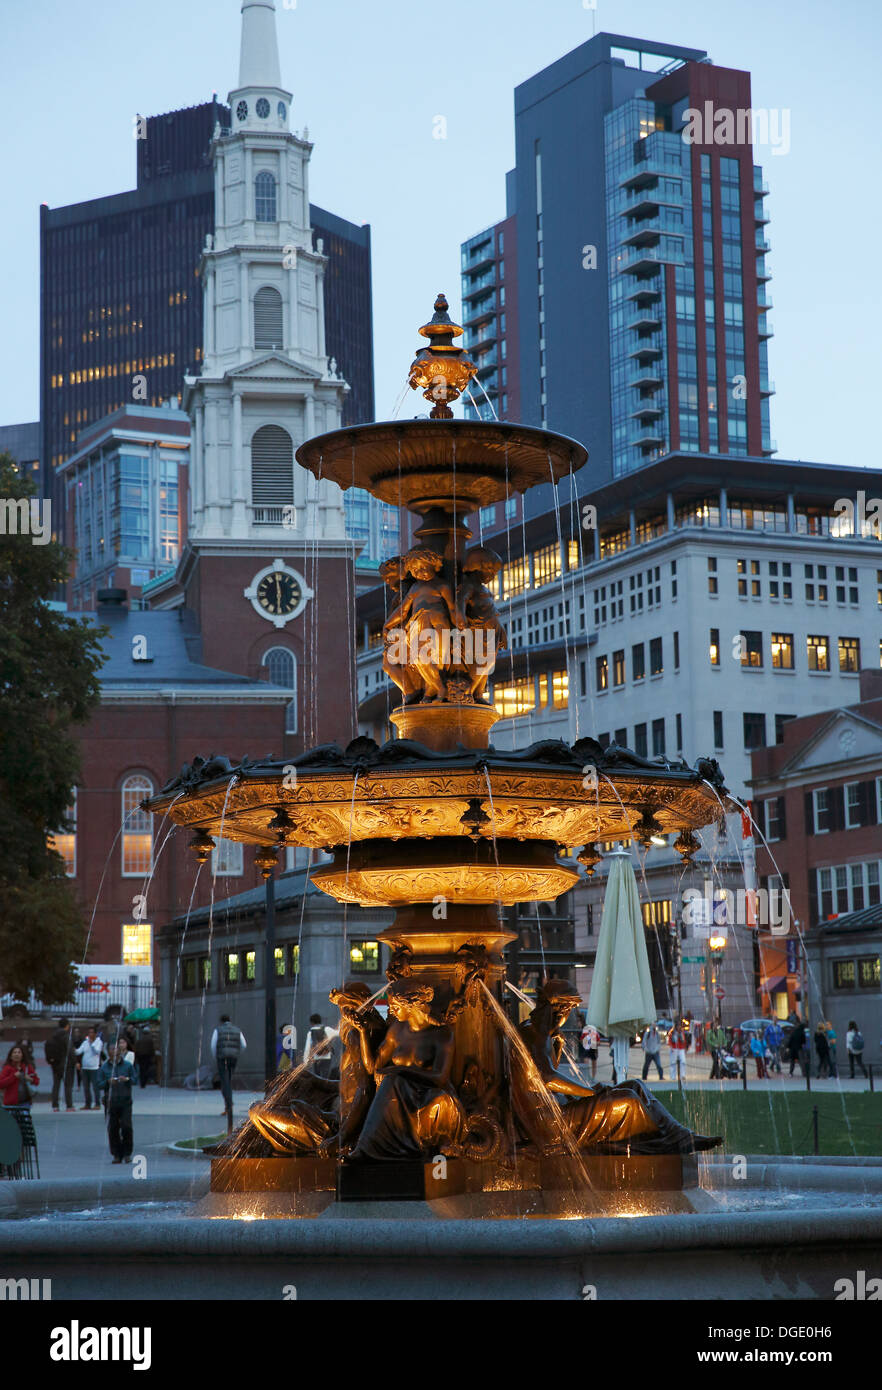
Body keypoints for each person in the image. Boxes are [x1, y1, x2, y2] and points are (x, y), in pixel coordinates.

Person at [97, 1038, 135, 1163]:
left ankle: (127, 1153)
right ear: (108, 1052)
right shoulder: (104, 1068)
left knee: (126, 1127)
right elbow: (99, 1084)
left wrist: (127, 1079)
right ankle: (116, 1154)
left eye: (117, 1049)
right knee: (112, 1128)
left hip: (125, 1101)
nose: (115, 1051)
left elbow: (135, 1079)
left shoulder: (127, 1065)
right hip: (111, 1102)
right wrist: (108, 1082)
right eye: (112, 1049)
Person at [211, 1015, 247, 1117]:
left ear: (221, 1021)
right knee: (229, 1080)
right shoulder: (237, 1030)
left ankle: (228, 1104)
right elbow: (244, 1045)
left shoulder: (217, 1030)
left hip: (222, 1058)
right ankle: (228, 1103)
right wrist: (237, 1053)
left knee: (225, 1081)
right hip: (233, 1058)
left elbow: (213, 1045)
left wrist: (216, 1057)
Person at [45, 1017, 76, 1111]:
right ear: (67, 1026)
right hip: (66, 1064)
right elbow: (70, 1050)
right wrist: (74, 1061)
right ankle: (69, 1105)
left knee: (56, 1085)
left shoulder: (52, 1036)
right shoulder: (66, 1036)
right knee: (68, 1085)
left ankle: (55, 1105)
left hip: (55, 1064)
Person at [74, 1026, 104, 1109]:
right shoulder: (85, 1042)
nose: (90, 1034)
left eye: (91, 1032)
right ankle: (88, 1104)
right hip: (85, 1068)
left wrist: (92, 1044)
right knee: (86, 1087)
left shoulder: (99, 1042)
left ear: (95, 1034)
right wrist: (73, 1050)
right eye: (89, 1033)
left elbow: (97, 1051)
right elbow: (79, 1051)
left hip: (94, 1068)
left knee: (95, 1087)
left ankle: (97, 1104)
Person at [303, 1014, 339, 1079]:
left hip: (316, 1058)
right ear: (320, 1020)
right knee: (326, 1078)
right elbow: (338, 1033)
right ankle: (326, 1088)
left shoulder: (310, 1032)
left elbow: (307, 1048)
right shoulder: (327, 1029)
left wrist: (305, 1061)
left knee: (317, 1078)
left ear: (311, 1022)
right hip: (327, 1057)